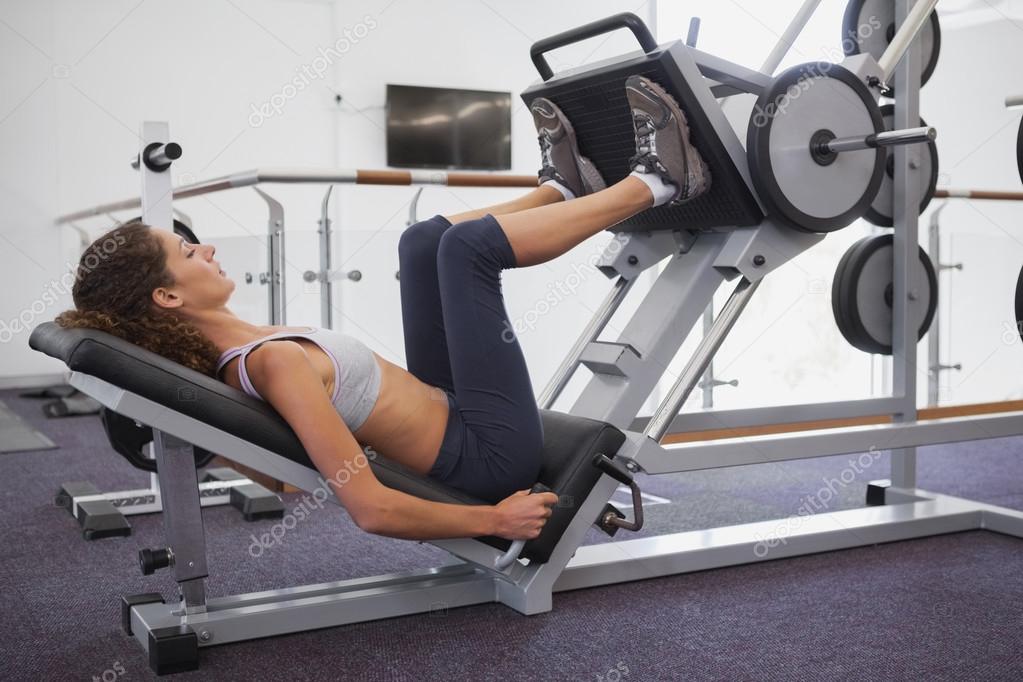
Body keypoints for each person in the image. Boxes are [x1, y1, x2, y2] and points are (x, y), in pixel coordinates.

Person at [55, 76, 710, 542]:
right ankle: (657, 183)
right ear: (166, 297)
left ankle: (561, 190)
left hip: (446, 401)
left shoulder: (248, 348)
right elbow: (369, 508)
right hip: (487, 454)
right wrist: (492, 520)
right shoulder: (273, 365)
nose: (207, 249)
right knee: (469, 251)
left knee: (423, 240)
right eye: (187, 251)